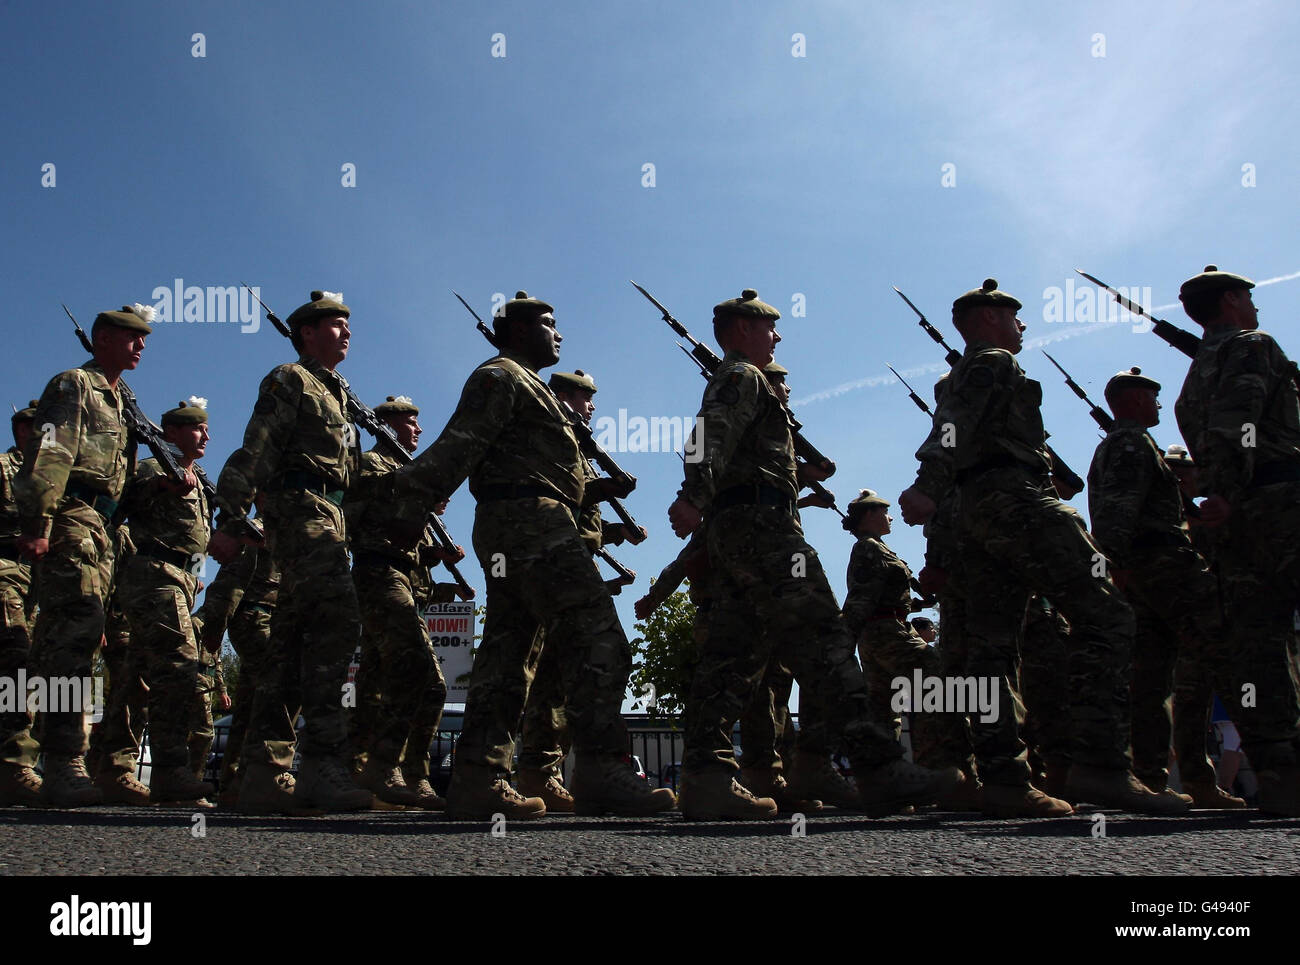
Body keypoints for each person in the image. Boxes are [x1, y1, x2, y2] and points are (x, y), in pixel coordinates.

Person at [668, 288, 960, 819]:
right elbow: (705, 437)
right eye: (768, 328)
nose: (777, 337)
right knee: (825, 641)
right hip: (765, 528)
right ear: (740, 332)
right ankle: (879, 768)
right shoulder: (743, 375)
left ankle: (706, 777)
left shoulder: (743, 380)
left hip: (737, 528)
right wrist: (693, 494)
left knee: (731, 655)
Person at [899, 278, 1186, 816]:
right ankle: (1100, 766)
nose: (1022, 325)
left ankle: (1006, 779)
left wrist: (936, 489)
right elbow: (951, 428)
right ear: (988, 320)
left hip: (976, 515)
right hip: (1016, 497)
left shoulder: (968, 370)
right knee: (1107, 614)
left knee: (990, 649)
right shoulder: (993, 362)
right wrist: (927, 482)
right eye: (1014, 316)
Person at [392, 291, 674, 819]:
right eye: (549, 323)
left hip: (522, 522)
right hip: (530, 524)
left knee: (507, 655)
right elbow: (458, 446)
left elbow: (535, 470)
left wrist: (603, 492)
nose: (559, 333)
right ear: (520, 332)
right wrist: (404, 500)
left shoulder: (528, 386)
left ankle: (478, 776)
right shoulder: (501, 376)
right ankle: (603, 768)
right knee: (598, 637)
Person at [210, 290, 371, 814]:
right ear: (306, 332)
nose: (347, 332)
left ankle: (263, 770)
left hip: (331, 515)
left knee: (291, 641)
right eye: (335, 325)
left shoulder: (339, 395)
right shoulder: (290, 379)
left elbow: (351, 474)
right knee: (336, 621)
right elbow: (256, 448)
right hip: (300, 508)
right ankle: (323, 763)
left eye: (348, 325)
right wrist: (230, 518)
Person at [10, 303, 154, 807]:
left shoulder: (121, 401)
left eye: (143, 338)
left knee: (70, 642)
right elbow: (49, 453)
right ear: (100, 340)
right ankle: (64, 760)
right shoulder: (74, 385)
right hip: (73, 518)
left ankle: (32, 759)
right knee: (71, 641)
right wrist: (37, 522)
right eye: (129, 336)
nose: (140, 345)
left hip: (104, 529)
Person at [1174, 265, 1300, 815]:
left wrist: (1222, 494)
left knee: (1260, 641)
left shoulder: (1196, 371)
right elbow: (1239, 419)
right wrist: (1226, 487)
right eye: (1249, 296)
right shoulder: (1252, 346)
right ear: (1231, 300)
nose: (1255, 305)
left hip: (1238, 515)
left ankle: (1280, 773)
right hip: (1278, 500)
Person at [344, 394, 451, 809]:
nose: (418, 430)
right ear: (387, 426)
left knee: (374, 685)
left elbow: (410, 544)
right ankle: (385, 767)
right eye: (410, 422)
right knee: (424, 677)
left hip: (401, 577)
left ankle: (398, 774)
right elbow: (360, 521)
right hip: (378, 573)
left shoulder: (405, 472)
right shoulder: (372, 466)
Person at [112, 398, 218, 804]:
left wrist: (198, 578)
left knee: (134, 679)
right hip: (154, 576)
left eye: (206, 429)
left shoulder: (197, 476)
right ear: (171, 434)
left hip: (179, 582)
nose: (205, 435)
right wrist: (160, 485)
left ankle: (113, 767)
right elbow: (126, 502)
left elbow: (197, 538)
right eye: (196, 428)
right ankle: (170, 773)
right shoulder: (154, 468)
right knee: (179, 668)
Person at [0, 401, 40, 806]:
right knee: (17, 661)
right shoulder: (4, 469)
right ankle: (14, 761)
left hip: (35, 580)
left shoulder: (48, 477)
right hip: (3, 571)